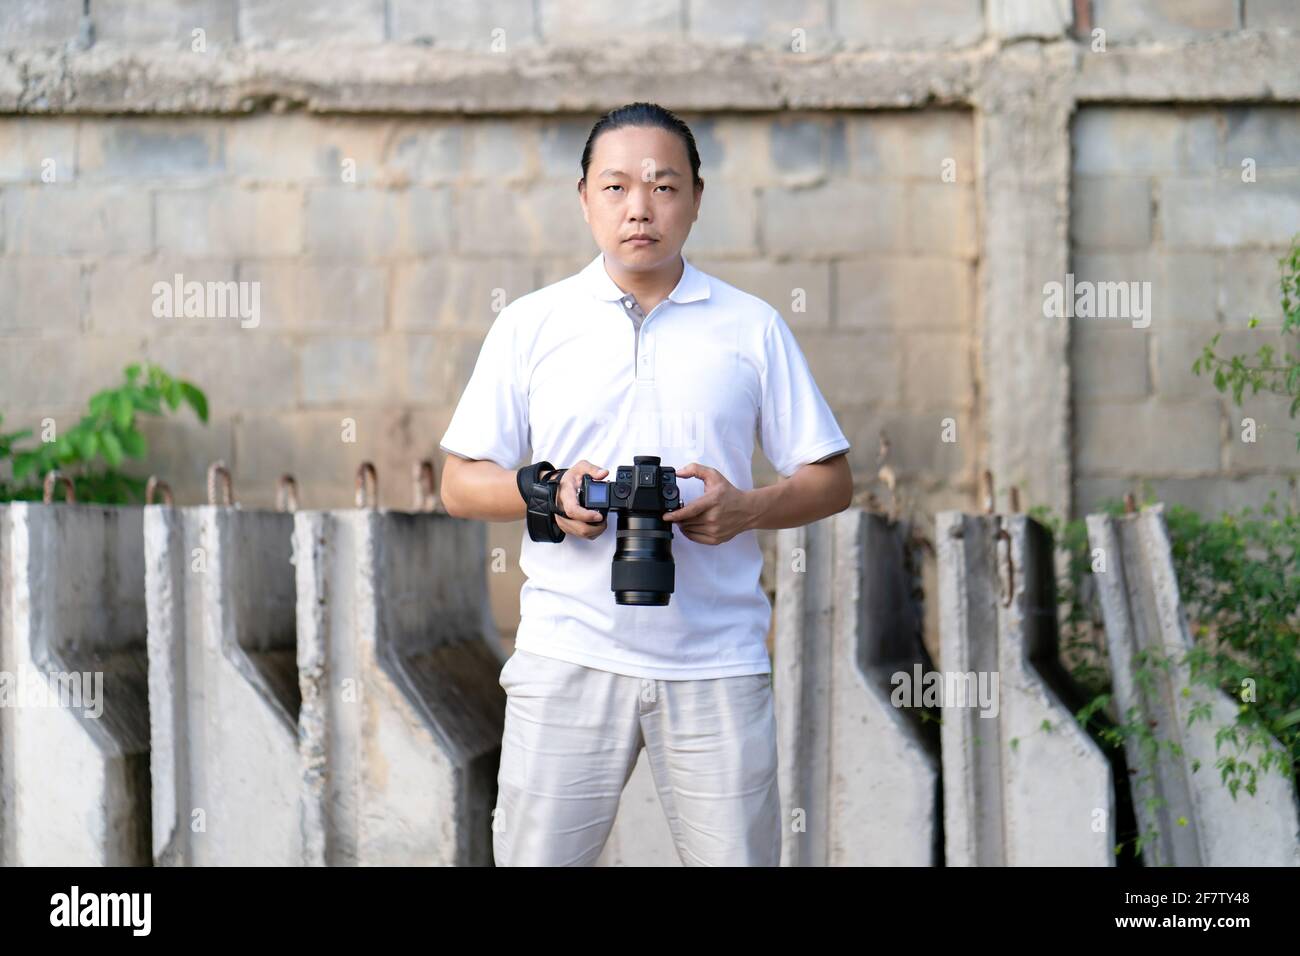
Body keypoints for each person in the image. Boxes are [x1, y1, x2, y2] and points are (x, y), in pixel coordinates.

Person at [439, 101, 853, 866]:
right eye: (617, 186)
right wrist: (551, 494)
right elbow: (459, 484)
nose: (640, 208)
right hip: (566, 654)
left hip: (717, 661)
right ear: (584, 198)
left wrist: (745, 508)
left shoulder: (752, 326)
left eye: (664, 187)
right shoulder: (532, 325)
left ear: (697, 198)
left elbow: (831, 480)